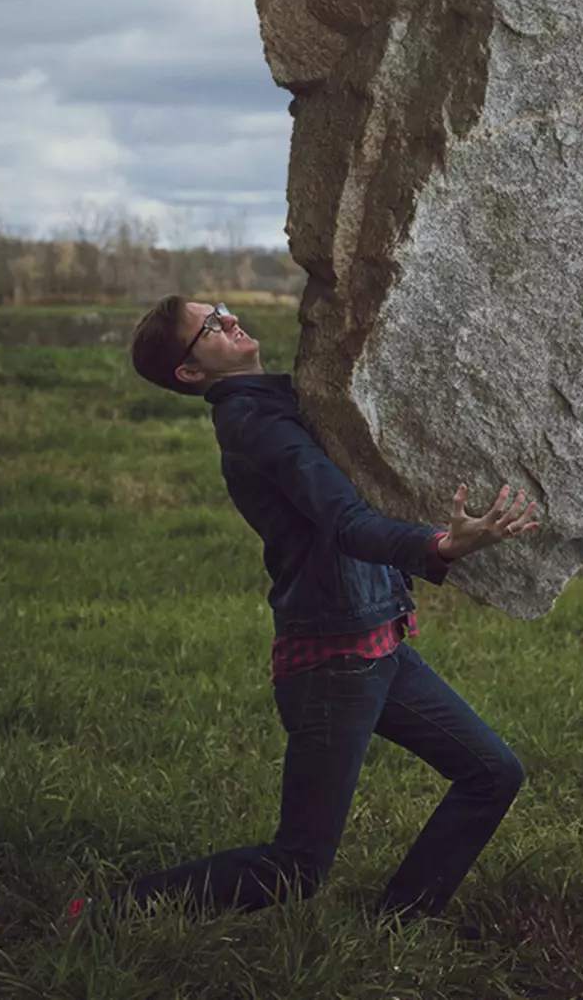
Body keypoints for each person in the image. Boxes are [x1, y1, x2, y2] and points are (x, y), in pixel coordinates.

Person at [77, 295, 539, 927]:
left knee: (494, 773)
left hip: (377, 647)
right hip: (333, 664)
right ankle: (108, 912)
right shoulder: (255, 426)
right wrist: (441, 544)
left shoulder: (276, 402)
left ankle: (399, 924)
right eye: (210, 326)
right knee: (295, 868)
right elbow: (344, 521)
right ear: (191, 373)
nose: (230, 319)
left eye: (221, 307)